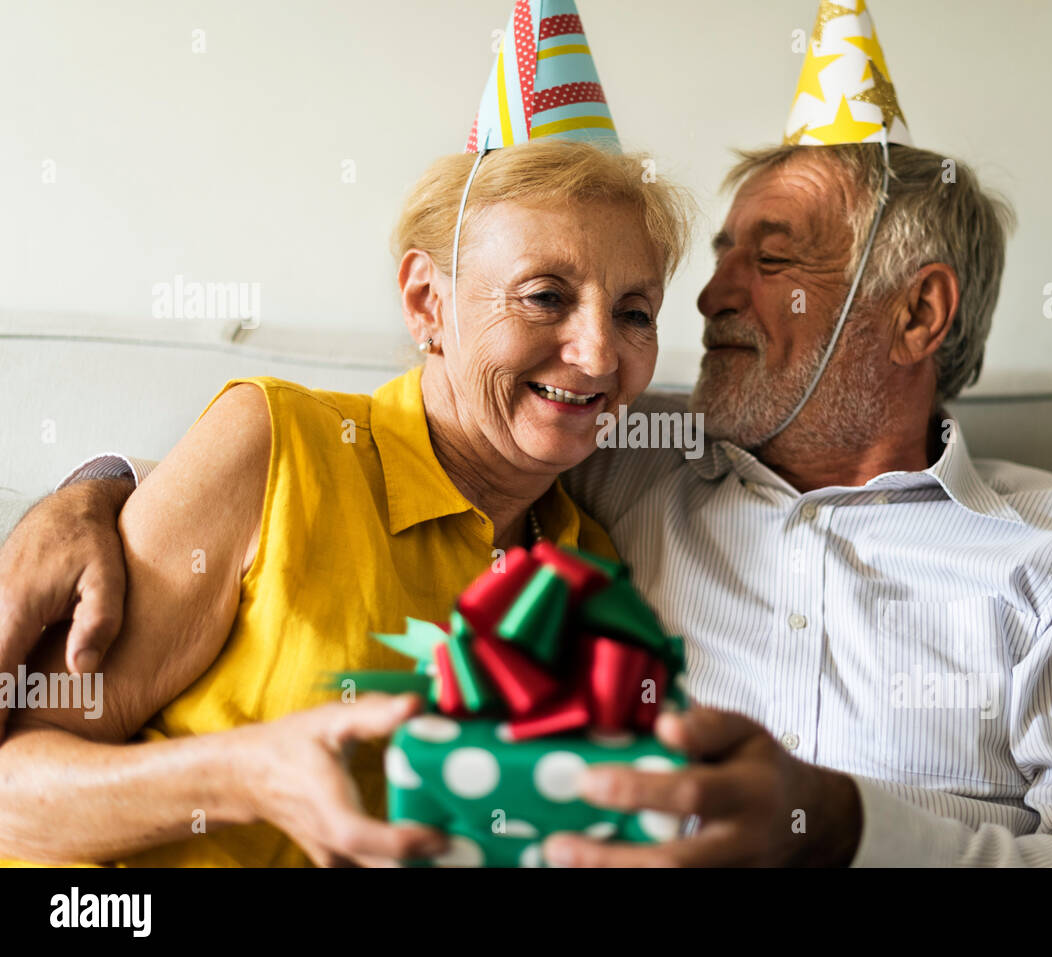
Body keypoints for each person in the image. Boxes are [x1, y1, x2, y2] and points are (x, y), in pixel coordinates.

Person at [0, 1, 1052, 867]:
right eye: (548, 296)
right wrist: (91, 493)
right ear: (425, 296)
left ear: (917, 311)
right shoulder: (588, 470)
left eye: (767, 259)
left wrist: (838, 826)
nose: (688, 310)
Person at [0, 133, 693, 867]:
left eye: (634, 313)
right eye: (545, 296)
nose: (598, 355)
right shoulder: (277, 444)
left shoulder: (593, 570)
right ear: (427, 302)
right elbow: (16, 788)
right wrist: (244, 775)